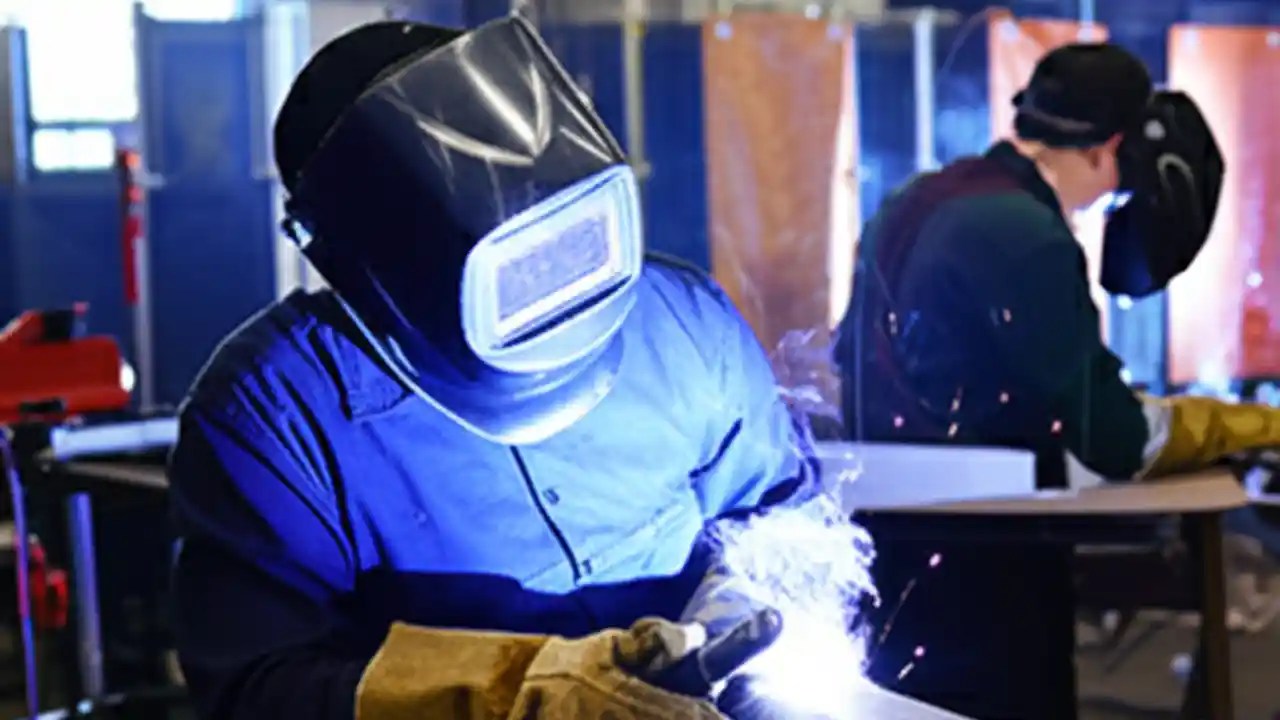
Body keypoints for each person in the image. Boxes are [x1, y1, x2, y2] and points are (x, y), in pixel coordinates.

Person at [168, 17, 816, 720]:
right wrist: (511, 695)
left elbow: (782, 514)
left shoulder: (684, 325)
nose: (550, 292)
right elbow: (256, 689)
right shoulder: (275, 418)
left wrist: (744, 609)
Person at [835, 42, 1278, 720]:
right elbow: (1116, 441)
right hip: (987, 560)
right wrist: (1248, 423)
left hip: (891, 545)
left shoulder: (919, 196)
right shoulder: (1025, 233)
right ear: (1113, 148)